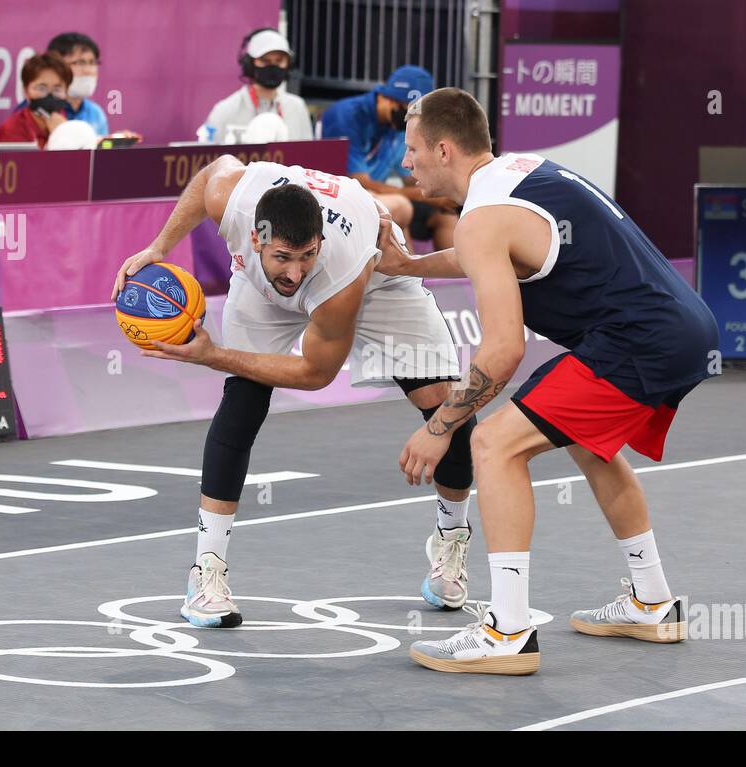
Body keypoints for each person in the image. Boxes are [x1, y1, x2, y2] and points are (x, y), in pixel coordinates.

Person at [381, 88, 720, 676]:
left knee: (493, 444)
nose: (405, 164)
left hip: (637, 338)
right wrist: (410, 268)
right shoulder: (519, 172)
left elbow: (504, 350)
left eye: (412, 151)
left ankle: (507, 630)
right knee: (590, 443)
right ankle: (651, 601)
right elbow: (487, 252)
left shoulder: (483, 218)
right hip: (681, 324)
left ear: (442, 148)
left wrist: (440, 426)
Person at [110, 156, 478, 629]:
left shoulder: (337, 271)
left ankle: (450, 540)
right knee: (242, 404)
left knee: (448, 413)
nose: (295, 273)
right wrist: (159, 246)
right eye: (283, 257)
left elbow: (314, 372)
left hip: (375, 279)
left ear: (319, 242)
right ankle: (207, 572)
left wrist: (212, 355)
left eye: (306, 255)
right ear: (255, 238)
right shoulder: (233, 198)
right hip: (259, 289)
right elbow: (207, 177)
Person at [320, 65, 458, 250]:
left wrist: (442, 192)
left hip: (380, 197)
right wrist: (423, 196)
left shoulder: (400, 125)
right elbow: (360, 183)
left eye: (415, 112)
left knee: (445, 214)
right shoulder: (347, 116)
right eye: (405, 109)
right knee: (401, 207)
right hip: (340, 200)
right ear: (387, 97)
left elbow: (411, 178)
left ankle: (458, 278)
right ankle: (409, 274)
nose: (409, 116)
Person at [198, 28, 313, 145]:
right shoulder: (225, 110)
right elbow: (209, 158)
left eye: (279, 61)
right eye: (265, 60)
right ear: (250, 64)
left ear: (288, 64)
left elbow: (307, 156)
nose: (273, 66)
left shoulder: (298, 108)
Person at [0, 52, 73, 149]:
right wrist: (58, 137)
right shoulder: (11, 129)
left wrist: (65, 133)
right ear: (25, 91)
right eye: (41, 88)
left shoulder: (71, 124)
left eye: (57, 89)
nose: (49, 95)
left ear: (67, 91)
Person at [46, 32, 110, 136]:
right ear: (56, 66)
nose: (88, 70)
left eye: (92, 62)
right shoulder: (38, 110)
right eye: (80, 62)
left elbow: (101, 151)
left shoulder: (95, 113)